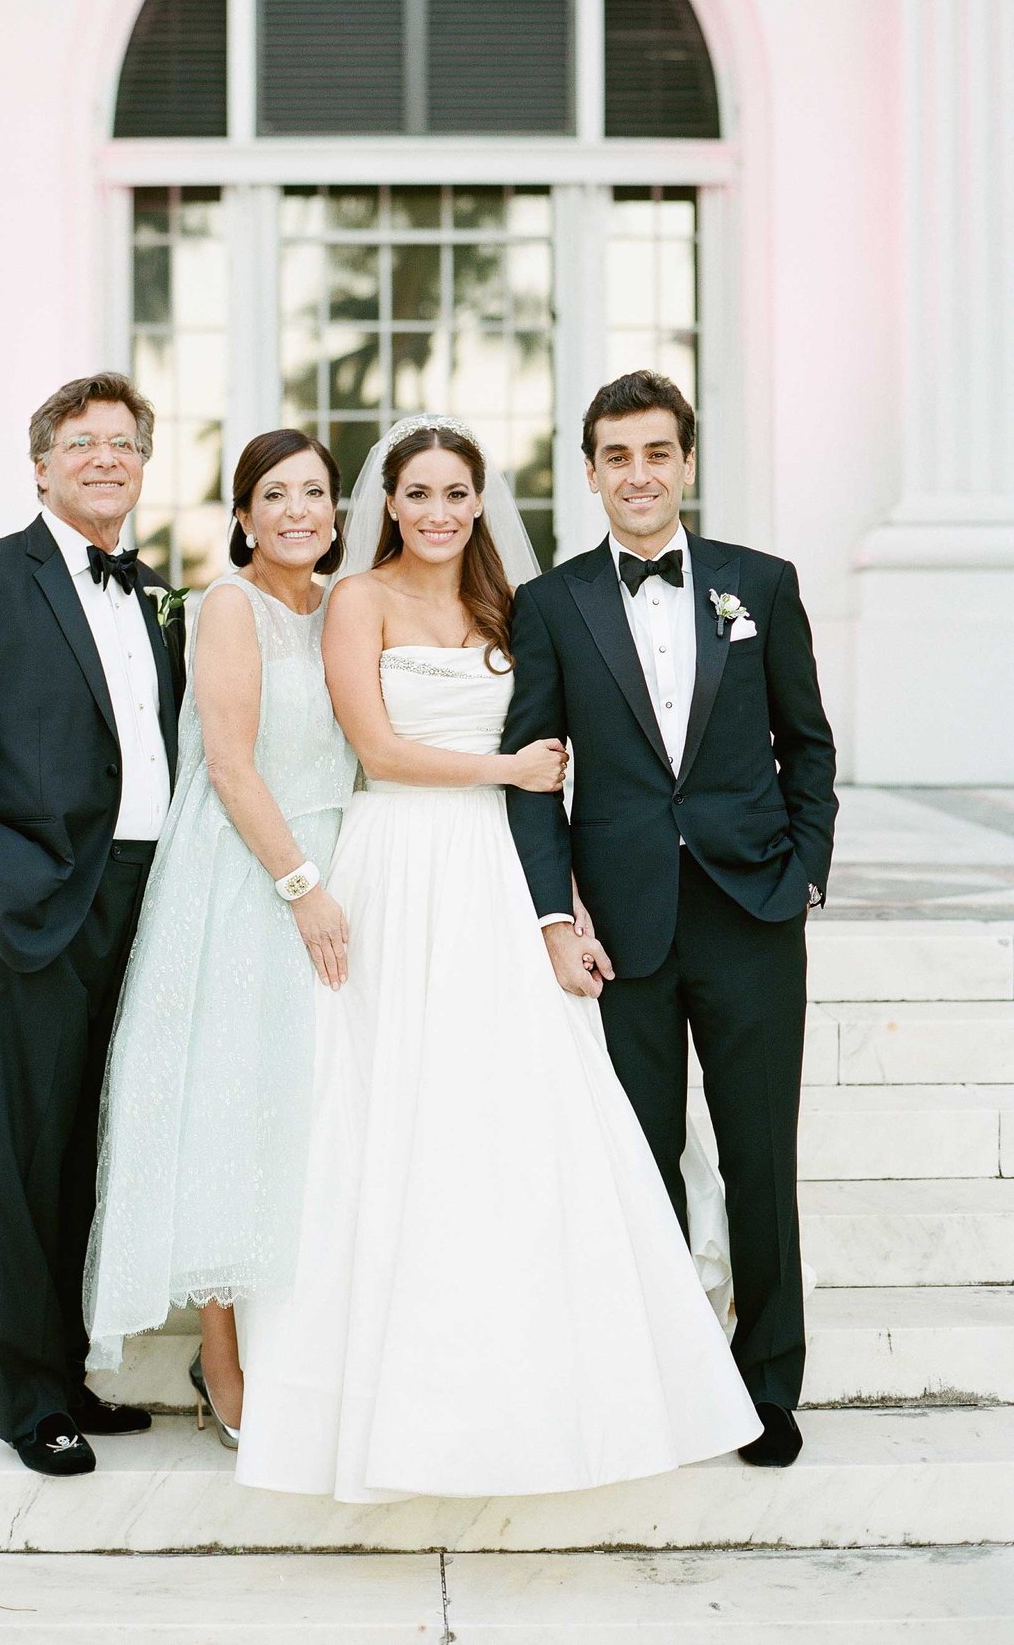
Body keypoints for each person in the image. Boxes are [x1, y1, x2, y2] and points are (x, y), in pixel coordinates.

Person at [234, 414, 759, 1504]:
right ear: (388, 501)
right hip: (397, 862)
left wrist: (559, 904)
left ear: (481, 502)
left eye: (455, 493)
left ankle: (544, 1383)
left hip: (494, 869)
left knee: (520, 1105)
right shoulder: (358, 599)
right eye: (416, 492)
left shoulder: (508, 609)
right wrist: (504, 766)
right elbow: (374, 746)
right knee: (389, 1107)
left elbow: (552, 766)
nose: (436, 512)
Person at [503, 370, 839, 1468]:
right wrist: (557, 913)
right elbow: (532, 778)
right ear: (590, 472)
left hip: (749, 911)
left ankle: (767, 1379)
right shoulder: (550, 605)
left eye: (657, 453)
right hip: (623, 928)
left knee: (757, 1155)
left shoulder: (761, 586)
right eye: (616, 457)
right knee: (639, 1156)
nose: (637, 475)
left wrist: (803, 873)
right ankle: (658, 1370)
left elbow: (808, 743)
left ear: (685, 463)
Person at [0, 372, 185, 1476]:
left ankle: (71, 1370)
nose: (104, 458)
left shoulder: (157, 593)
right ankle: (27, 1398)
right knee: (21, 1155)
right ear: (42, 463)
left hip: (143, 900)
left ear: (143, 465)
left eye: (123, 443)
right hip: (23, 906)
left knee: (90, 1150)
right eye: (81, 441)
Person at [83, 430, 357, 1448]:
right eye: (273, 494)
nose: (296, 510)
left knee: (311, 1108)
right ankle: (222, 1357)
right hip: (248, 878)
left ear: (336, 512)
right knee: (234, 1102)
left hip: (338, 858)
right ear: (242, 515)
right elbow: (234, 766)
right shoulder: (226, 607)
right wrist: (301, 887)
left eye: (313, 493)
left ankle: (309, 1332)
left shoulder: (342, 604)